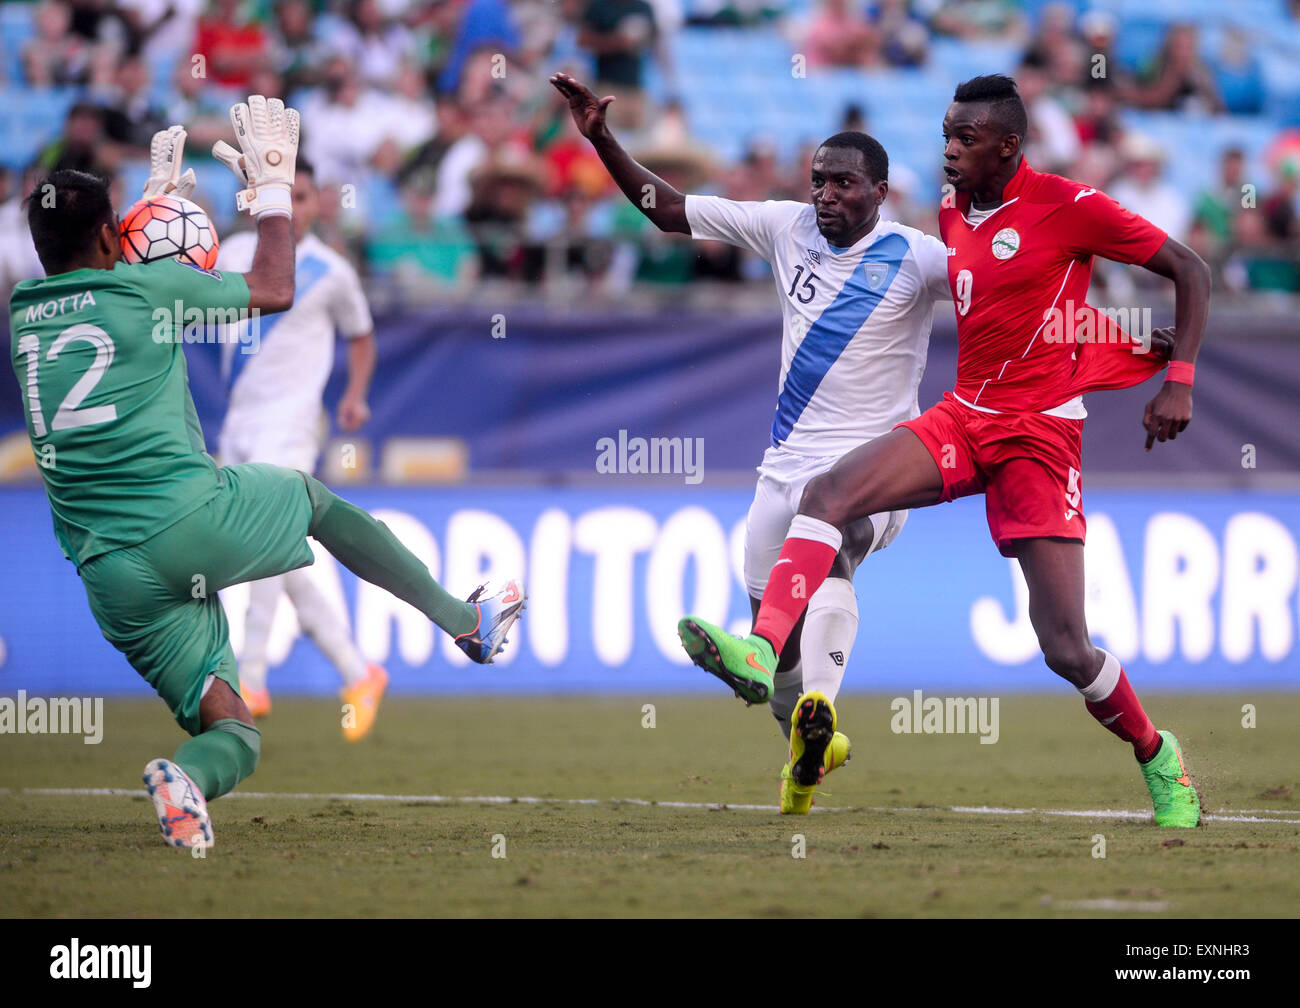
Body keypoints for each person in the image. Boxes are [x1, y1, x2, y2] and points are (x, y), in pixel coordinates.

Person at [678, 74, 1210, 829]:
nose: (951, 151)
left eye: (966, 138)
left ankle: (1158, 752)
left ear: (1009, 145)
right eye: (946, 136)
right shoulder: (954, 213)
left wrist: (1176, 379)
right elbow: (1021, 314)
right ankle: (764, 651)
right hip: (964, 417)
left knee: (1065, 648)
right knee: (827, 495)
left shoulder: (1070, 205)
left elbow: (1191, 270)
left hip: (1040, 438)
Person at [8, 103, 525, 850]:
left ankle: (187, 780)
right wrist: (273, 194)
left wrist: (141, 220)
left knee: (236, 731)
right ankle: (465, 622)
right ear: (105, 235)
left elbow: (98, 289)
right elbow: (274, 287)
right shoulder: (146, 293)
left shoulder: (26, 312)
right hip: (187, 519)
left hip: (109, 575)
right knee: (310, 497)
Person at [551, 71, 952, 813]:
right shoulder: (784, 227)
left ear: (882, 191)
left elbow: (1005, 296)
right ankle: (809, 741)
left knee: (836, 539)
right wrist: (604, 139)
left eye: (844, 183)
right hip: (783, 473)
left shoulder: (921, 258)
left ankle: (818, 704)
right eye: (818, 181)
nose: (826, 194)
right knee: (781, 657)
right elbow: (667, 211)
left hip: (878, 464)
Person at [216, 155, 385, 739]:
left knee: (266, 533)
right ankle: (357, 671)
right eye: (292, 195)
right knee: (275, 556)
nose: (299, 206)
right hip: (239, 421)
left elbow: (362, 336)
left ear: (317, 205)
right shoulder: (238, 254)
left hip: (293, 425)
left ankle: (252, 677)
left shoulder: (332, 271)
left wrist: (356, 394)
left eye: (308, 197)